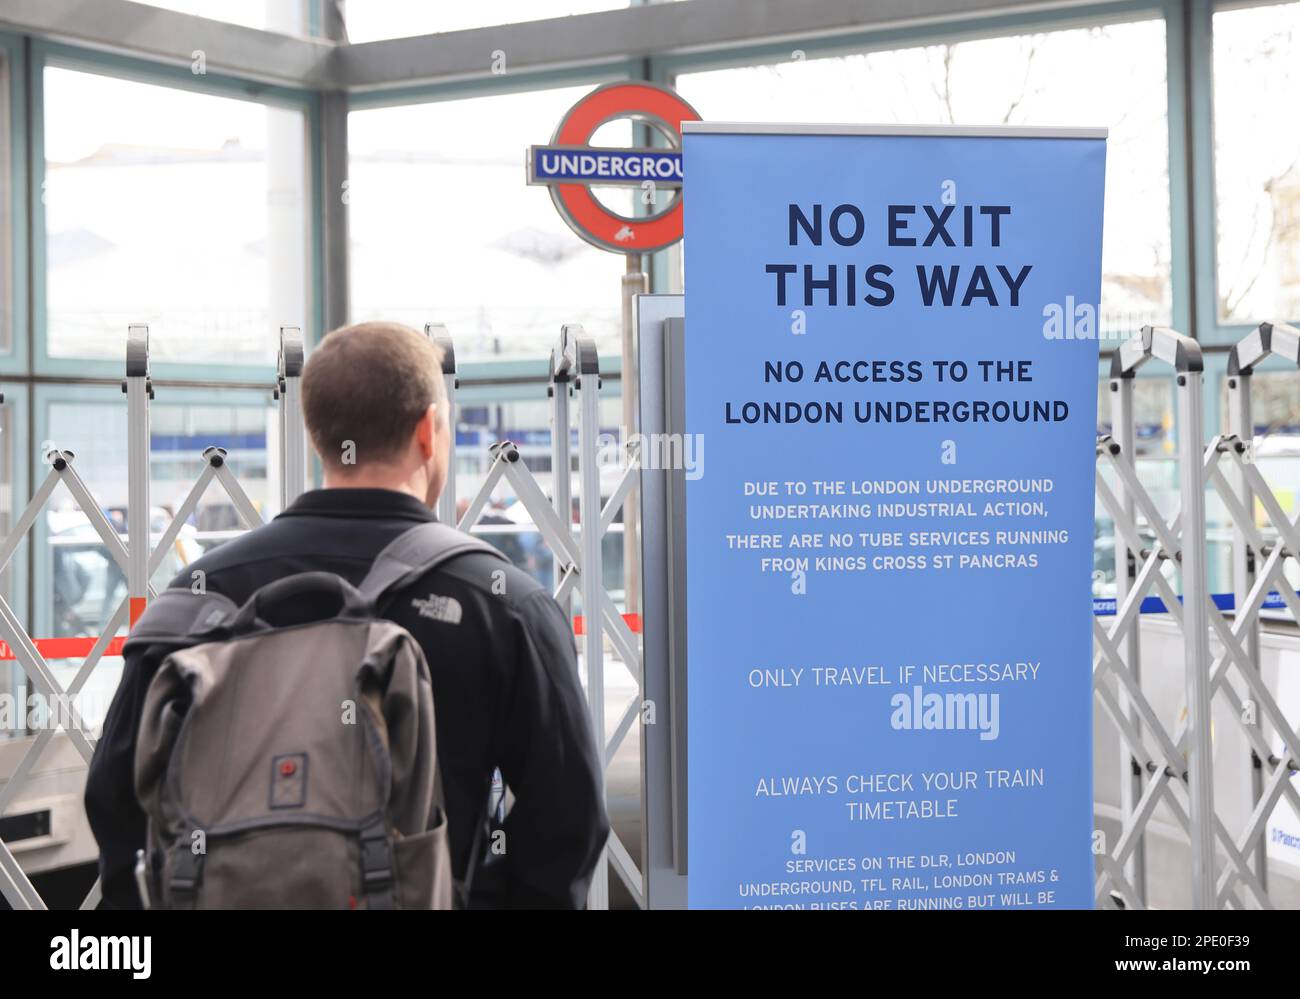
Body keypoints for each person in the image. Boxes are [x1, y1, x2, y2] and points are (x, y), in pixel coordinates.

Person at [85, 320, 610, 909]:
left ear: (318, 437)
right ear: (428, 433)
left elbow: (115, 802)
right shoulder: (503, 604)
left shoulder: (196, 600)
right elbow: (569, 824)